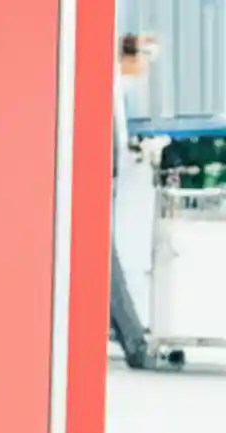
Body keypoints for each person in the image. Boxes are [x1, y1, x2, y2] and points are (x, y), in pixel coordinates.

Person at [110, 32, 153, 369]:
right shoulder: (105, 85)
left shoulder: (117, 88)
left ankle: (132, 339)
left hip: (105, 183)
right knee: (107, 265)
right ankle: (134, 342)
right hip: (93, 186)